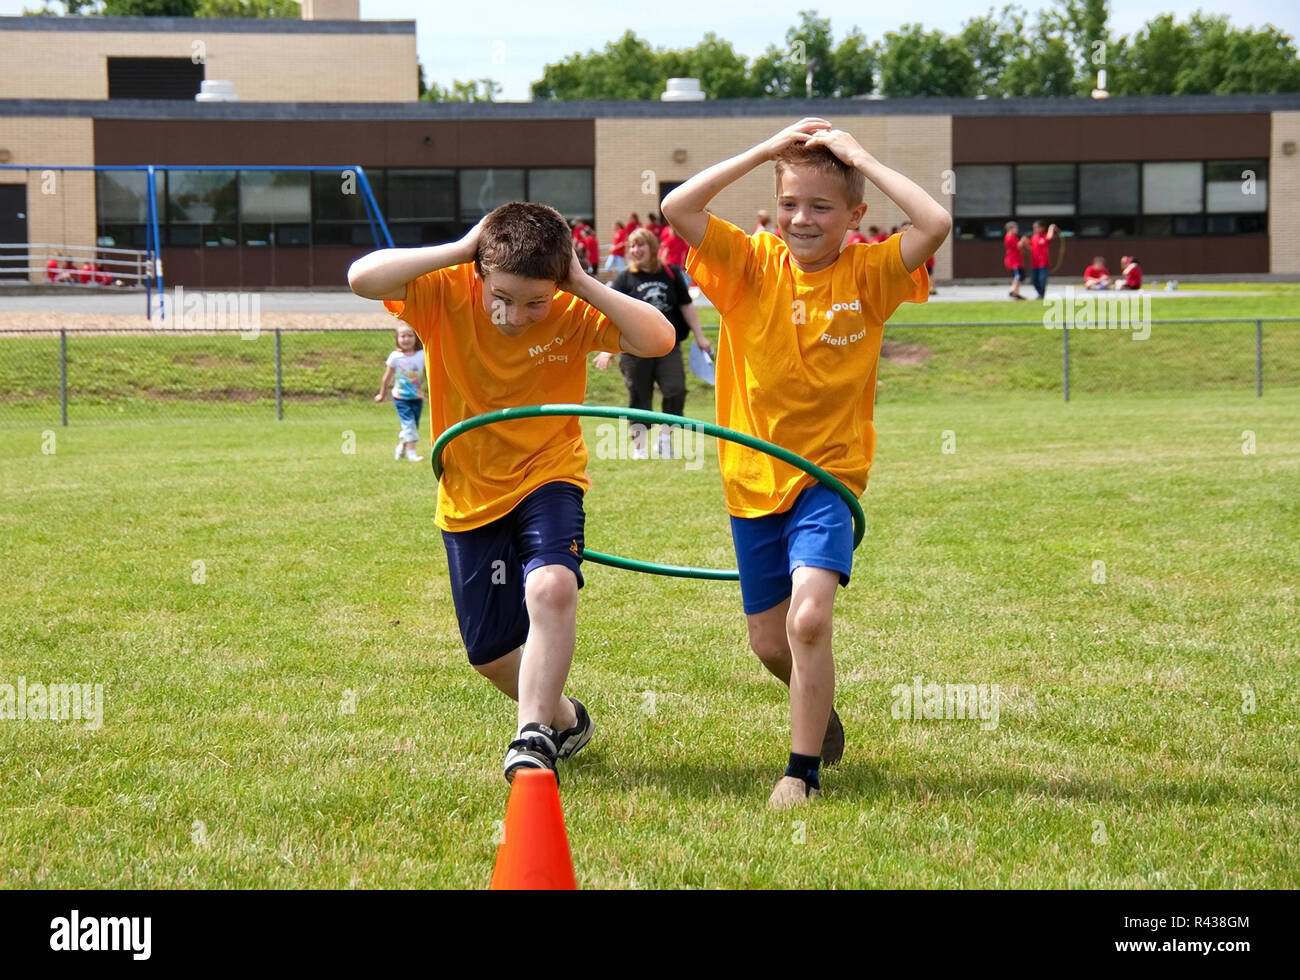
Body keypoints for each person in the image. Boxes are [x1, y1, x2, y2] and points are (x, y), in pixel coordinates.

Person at [662, 117, 948, 809]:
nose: (802, 219)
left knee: (810, 619)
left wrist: (859, 157)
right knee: (769, 643)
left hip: (828, 476)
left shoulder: (873, 273)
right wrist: (767, 150)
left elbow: (934, 220)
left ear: (855, 215)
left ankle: (801, 771)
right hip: (751, 480)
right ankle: (817, 708)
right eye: (790, 203)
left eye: (822, 206)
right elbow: (678, 208)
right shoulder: (749, 263)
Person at [348, 202, 674, 782]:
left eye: (534, 301)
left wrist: (576, 281)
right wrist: (463, 247)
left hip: (548, 472)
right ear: (479, 272)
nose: (516, 315)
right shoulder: (445, 291)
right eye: (501, 296)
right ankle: (566, 718)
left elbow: (658, 339)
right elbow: (361, 277)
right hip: (470, 489)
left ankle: (532, 737)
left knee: (551, 586)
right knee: (490, 656)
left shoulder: (572, 308)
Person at [593, 227, 712, 459]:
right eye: (632, 246)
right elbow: (611, 314)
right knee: (639, 394)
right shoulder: (625, 278)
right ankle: (639, 447)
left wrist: (700, 336)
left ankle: (665, 441)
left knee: (675, 389)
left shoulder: (671, 274)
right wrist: (608, 350)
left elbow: (686, 306)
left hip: (668, 345)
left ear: (653, 247)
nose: (635, 250)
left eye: (641, 245)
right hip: (634, 348)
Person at [374, 323, 428, 462]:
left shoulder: (422, 355)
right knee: (409, 425)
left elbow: (429, 375)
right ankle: (412, 454)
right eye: (403, 336)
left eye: (410, 335)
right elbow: (387, 377)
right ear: (397, 339)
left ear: (416, 338)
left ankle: (401, 447)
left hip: (416, 397)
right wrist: (382, 393)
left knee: (413, 426)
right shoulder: (395, 357)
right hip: (401, 397)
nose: (406, 339)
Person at [1023, 220, 1059, 299]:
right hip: (1034, 263)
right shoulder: (1034, 237)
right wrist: (1026, 244)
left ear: (1042, 228)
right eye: (1034, 228)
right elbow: (1031, 248)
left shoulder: (1045, 236)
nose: (1035, 229)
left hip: (1043, 263)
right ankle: (1039, 293)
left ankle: (1041, 294)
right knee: (1034, 280)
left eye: (1037, 227)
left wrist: (1051, 228)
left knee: (1042, 280)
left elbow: (1049, 237)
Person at [1003, 220, 1025, 300]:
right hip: (1013, 261)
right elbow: (1018, 246)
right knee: (1018, 276)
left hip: (1017, 260)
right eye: (1016, 228)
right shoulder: (1009, 237)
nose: (1017, 230)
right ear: (1010, 228)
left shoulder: (1013, 237)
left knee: (1021, 276)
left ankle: (1016, 292)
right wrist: (1022, 240)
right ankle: (1012, 290)